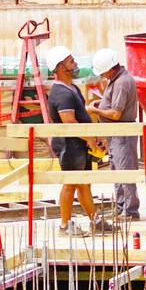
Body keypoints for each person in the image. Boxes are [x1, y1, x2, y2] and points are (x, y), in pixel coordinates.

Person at [41, 45, 107, 236]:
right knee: (70, 184)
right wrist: (91, 140)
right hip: (69, 146)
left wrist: (93, 135)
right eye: (71, 61)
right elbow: (70, 122)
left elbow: (81, 115)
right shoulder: (62, 94)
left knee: (84, 183)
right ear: (61, 67)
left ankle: (95, 221)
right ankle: (64, 226)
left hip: (79, 144)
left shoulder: (72, 88)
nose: (75, 63)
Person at [87, 47, 141, 221]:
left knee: (125, 171)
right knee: (117, 171)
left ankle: (130, 211)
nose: (103, 76)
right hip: (115, 134)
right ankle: (120, 208)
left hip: (122, 134)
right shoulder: (116, 80)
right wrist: (102, 104)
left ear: (110, 69)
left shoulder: (121, 83)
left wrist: (95, 111)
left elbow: (116, 114)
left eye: (103, 73)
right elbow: (113, 106)